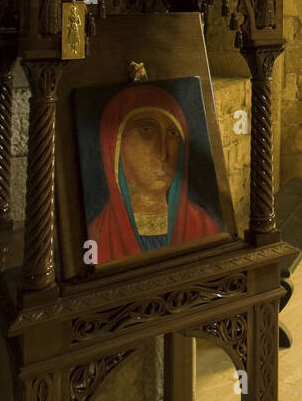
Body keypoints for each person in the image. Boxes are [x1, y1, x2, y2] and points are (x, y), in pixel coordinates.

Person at [88, 83, 222, 265]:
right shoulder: (97, 239)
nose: (163, 152)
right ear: (115, 146)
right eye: (146, 130)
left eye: (173, 133)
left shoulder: (204, 227)